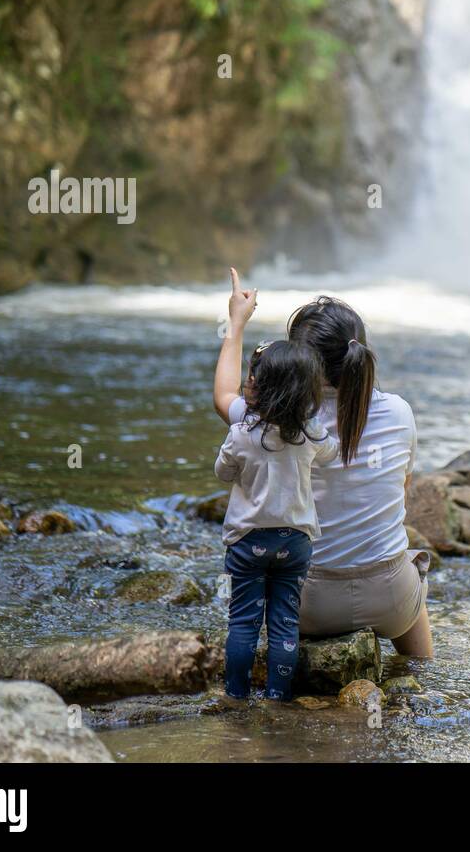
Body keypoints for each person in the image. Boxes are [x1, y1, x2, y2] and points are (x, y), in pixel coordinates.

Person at [217, 275, 433, 657]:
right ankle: (420, 677)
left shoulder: (277, 418)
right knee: (409, 563)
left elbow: (223, 396)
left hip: (304, 603)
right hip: (390, 602)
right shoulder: (400, 412)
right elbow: (400, 492)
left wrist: (236, 324)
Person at [212, 270, 338, 702]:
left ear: (257, 389)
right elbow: (330, 455)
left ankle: (235, 695)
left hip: (248, 541)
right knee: (285, 621)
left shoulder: (242, 430)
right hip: (296, 542)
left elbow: (223, 472)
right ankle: (279, 699)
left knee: (243, 621)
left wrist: (237, 321)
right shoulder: (311, 433)